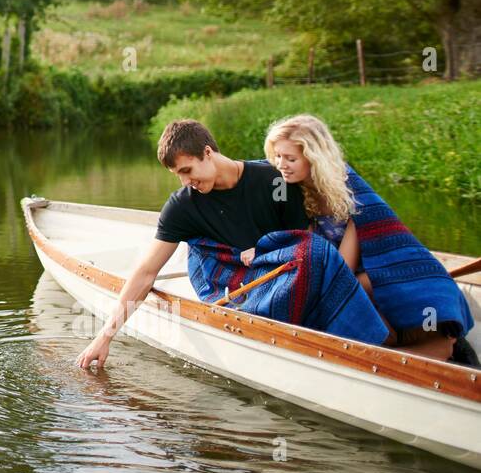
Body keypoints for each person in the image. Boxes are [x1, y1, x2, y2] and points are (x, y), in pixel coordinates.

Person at [75, 118, 317, 370]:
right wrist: (104, 337)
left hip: (282, 275)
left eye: (187, 170)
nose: (184, 181)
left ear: (207, 153)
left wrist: (265, 249)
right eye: (178, 175)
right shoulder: (183, 207)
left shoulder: (275, 181)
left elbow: (302, 241)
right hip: (233, 286)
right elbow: (146, 273)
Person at [261, 114, 477, 365]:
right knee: (328, 291)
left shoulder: (345, 186)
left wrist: (328, 278)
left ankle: (433, 348)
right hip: (341, 268)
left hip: (380, 264)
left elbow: (346, 260)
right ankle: (386, 347)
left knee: (348, 289)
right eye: (277, 156)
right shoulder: (292, 188)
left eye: (290, 158)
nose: (281, 164)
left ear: (314, 157)